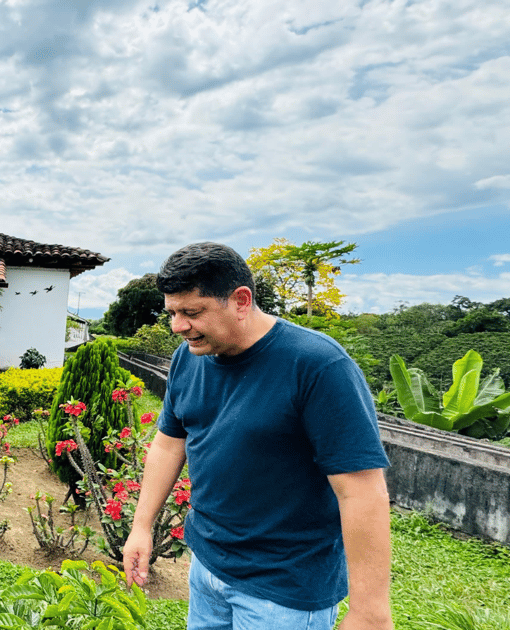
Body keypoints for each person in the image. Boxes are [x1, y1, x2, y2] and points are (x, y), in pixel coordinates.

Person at [121, 242, 392, 630]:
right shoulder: (189, 356)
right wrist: (142, 525)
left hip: (284, 591)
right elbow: (169, 443)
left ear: (241, 301)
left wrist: (370, 611)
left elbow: (362, 490)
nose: (178, 326)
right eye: (173, 313)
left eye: (192, 312)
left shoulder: (318, 366)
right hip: (208, 567)